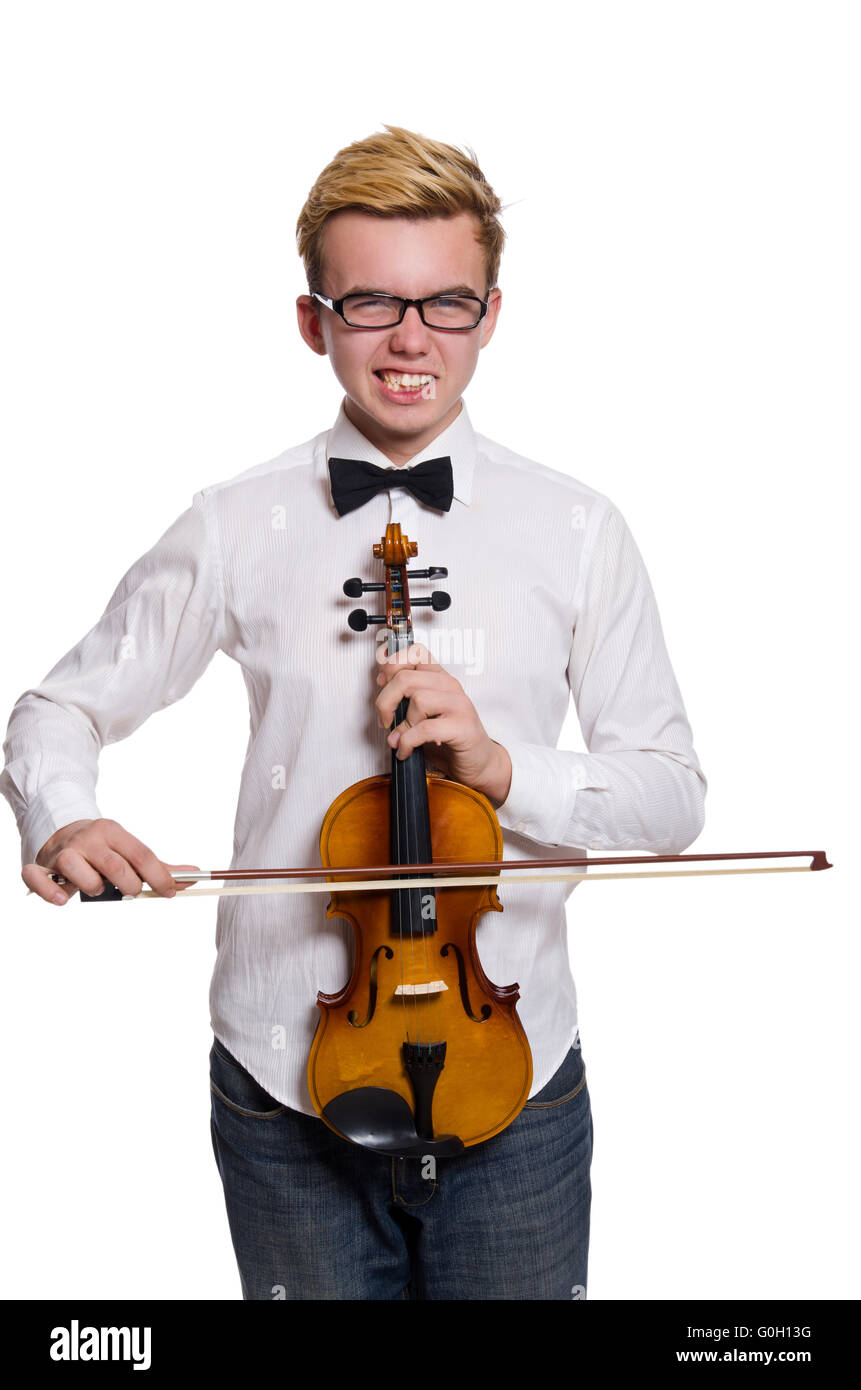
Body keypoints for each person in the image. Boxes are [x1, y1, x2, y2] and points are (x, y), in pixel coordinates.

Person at [1, 124, 706, 1300]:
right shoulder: (235, 524)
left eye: (447, 303)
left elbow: (673, 797)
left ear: (492, 315)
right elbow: (56, 707)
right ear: (312, 319)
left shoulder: (579, 531)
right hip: (283, 1072)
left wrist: (498, 765)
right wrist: (64, 818)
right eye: (371, 302)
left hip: (513, 1076)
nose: (411, 339)